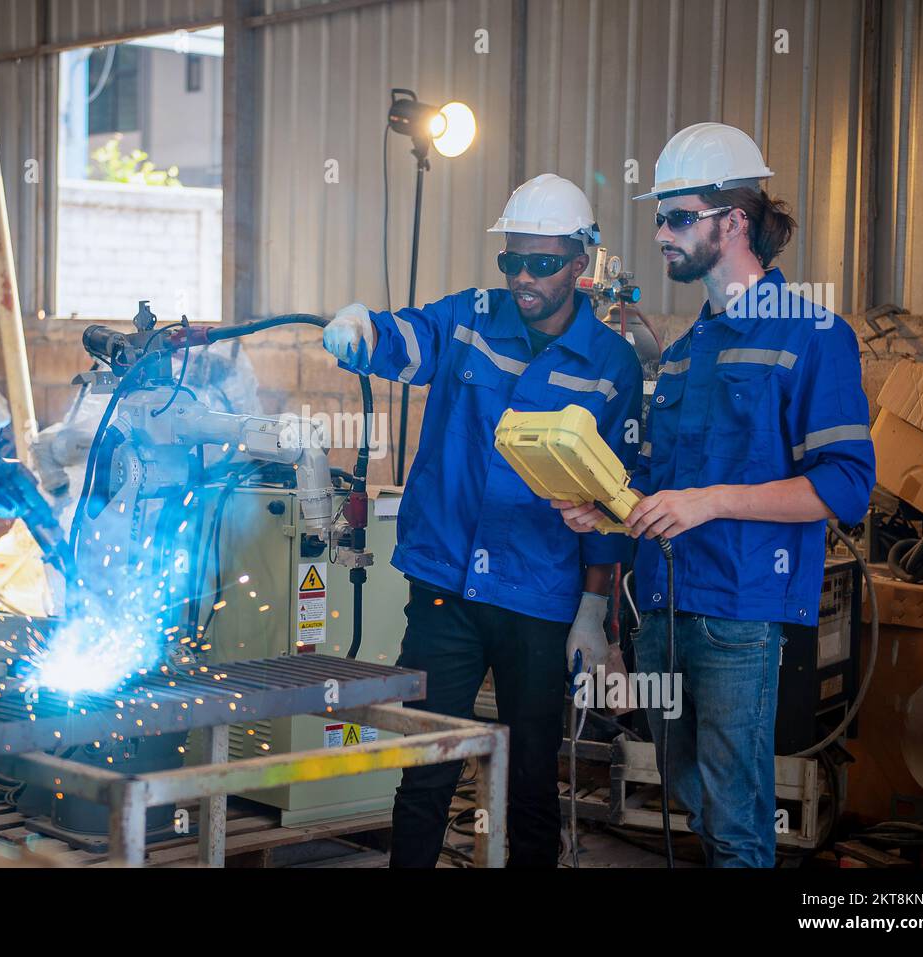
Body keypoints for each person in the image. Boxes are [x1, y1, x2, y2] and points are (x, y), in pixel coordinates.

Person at [554, 123, 876, 867]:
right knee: (691, 791)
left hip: (739, 613)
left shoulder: (815, 335)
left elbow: (847, 485)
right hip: (663, 610)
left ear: (734, 221)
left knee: (734, 820)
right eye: (659, 216)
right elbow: (662, 483)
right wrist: (600, 504)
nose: (661, 233)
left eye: (678, 216)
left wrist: (711, 501)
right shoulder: (688, 348)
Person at [322, 174, 642, 867]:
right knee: (428, 763)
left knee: (530, 773)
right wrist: (363, 331)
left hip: (539, 596)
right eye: (512, 261)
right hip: (447, 588)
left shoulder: (611, 364)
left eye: (542, 263)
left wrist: (594, 608)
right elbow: (410, 338)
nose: (523, 278)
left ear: (580, 263)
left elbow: (617, 500)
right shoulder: (470, 318)